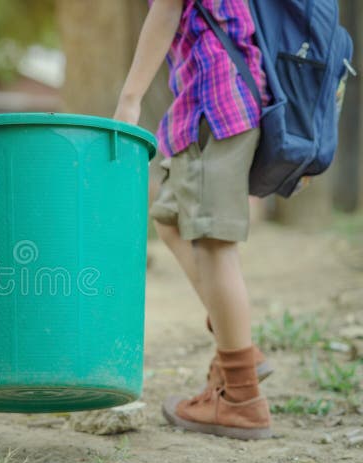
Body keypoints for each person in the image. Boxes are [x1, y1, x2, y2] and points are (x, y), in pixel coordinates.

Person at [114, 0, 273, 440]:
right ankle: (240, 347)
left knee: (213, 243)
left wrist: (130, 99)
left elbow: (165, 10)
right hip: (208, 100)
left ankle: (242, 396)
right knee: (171, 218)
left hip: (216, 99)